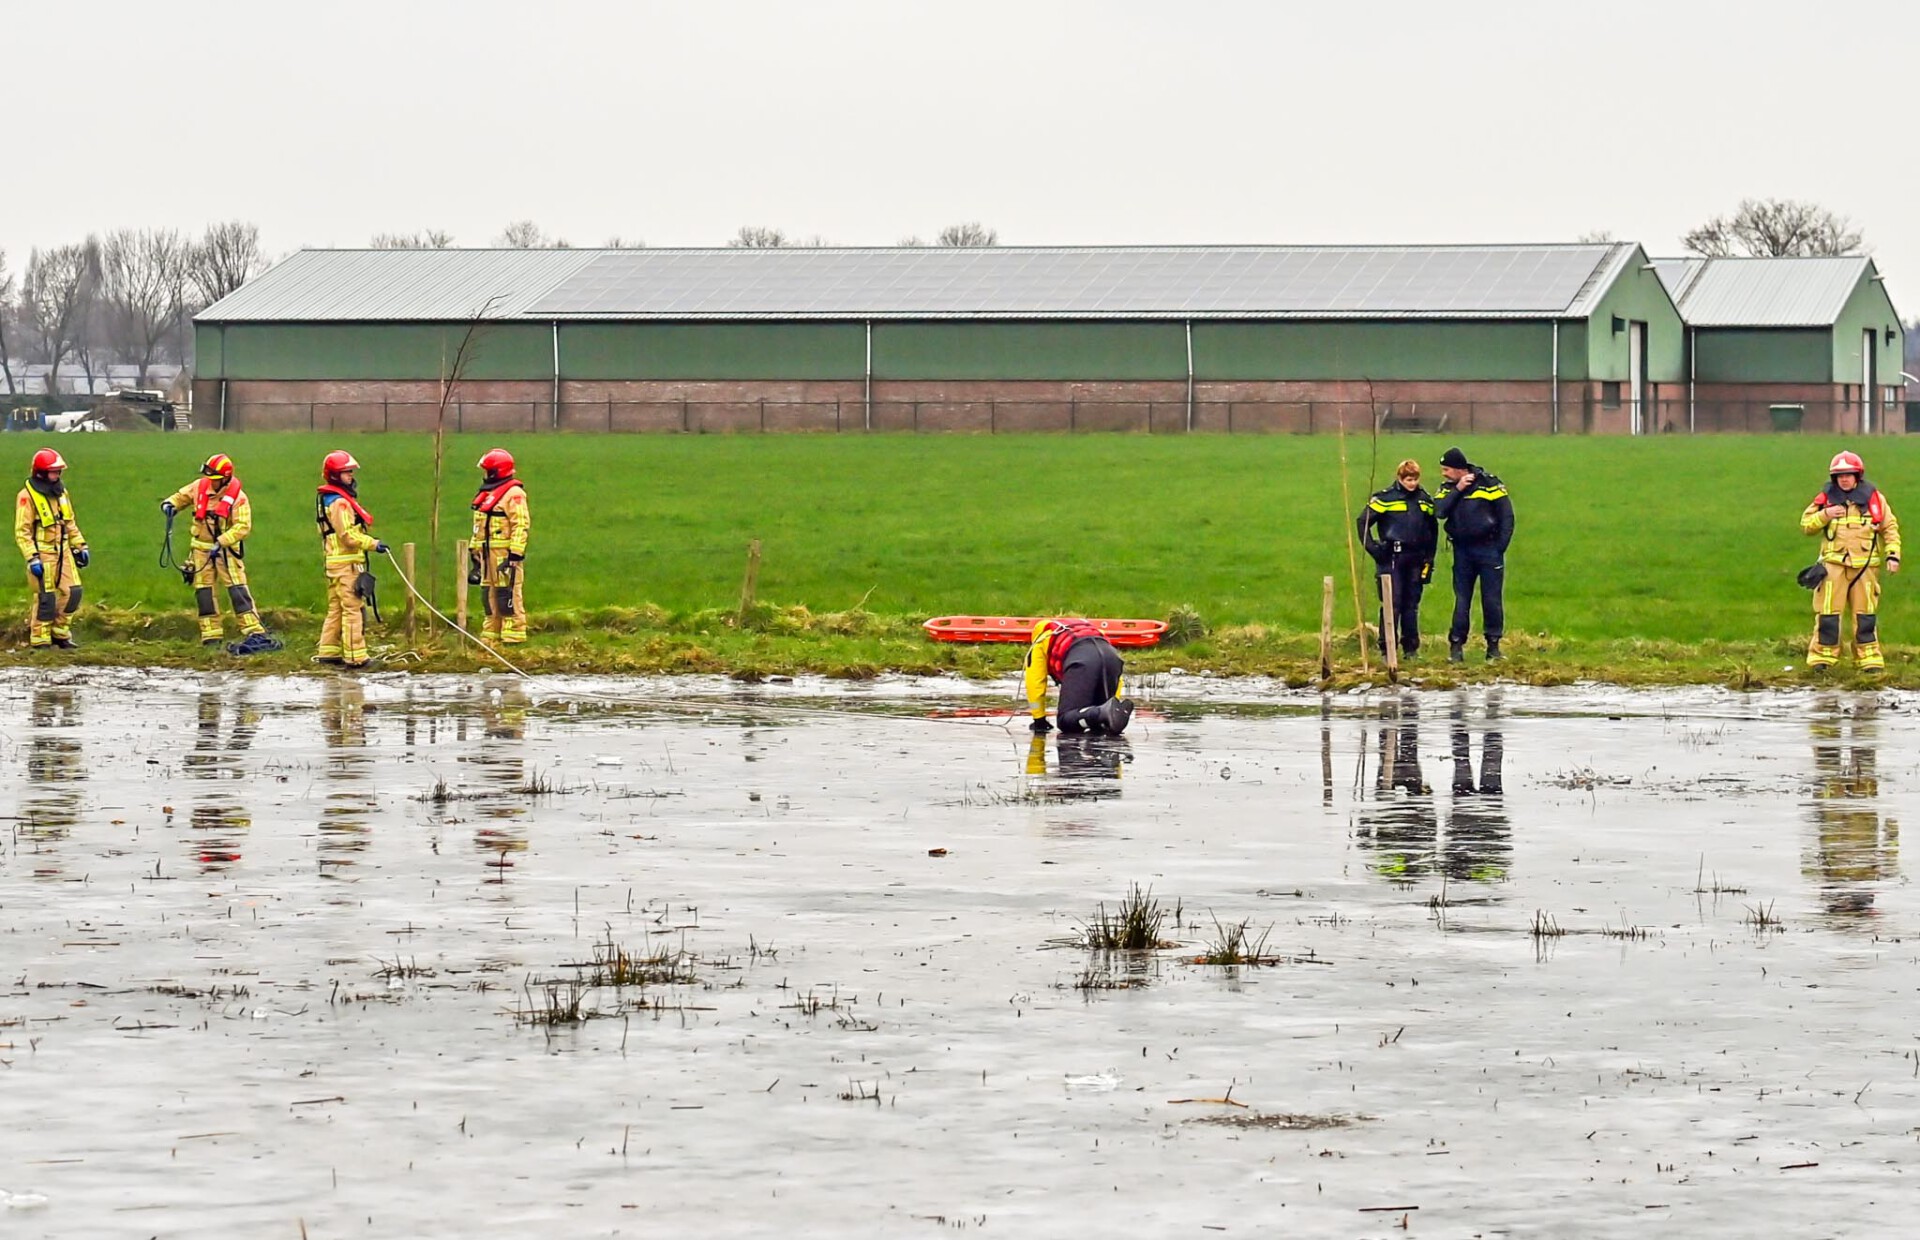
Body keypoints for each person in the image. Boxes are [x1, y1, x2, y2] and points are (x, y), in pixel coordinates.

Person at [162, 453, 273, 650]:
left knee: (237, 590)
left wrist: (221, 541)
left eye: (215, 480)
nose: (211, 484)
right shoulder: (199, 486)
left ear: (226, 478)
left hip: (226, 552)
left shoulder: (239, 499)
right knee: (204, 593)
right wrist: (170, 504)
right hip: (200, 550)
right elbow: (182, 496)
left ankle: (254, 632)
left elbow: (242, 526)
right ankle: (211, 636)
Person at [1801, 450, 1900, 672]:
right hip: (1833, 567)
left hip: (1865, 568)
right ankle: (1822, 659)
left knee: (1865, 615)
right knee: (1828, 614)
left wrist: (1893, 555)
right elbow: (1806, 525)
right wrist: (1825, 515)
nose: (1844, 479)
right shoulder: (1824, 499)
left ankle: (1869, 660)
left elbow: (1890, 528)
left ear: (1858, 476)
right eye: (1839, 475)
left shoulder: (1875, 500)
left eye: (1848, 474)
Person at [1434, 446, 1514, 663]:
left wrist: (1500, 547)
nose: (1443, 473)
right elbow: (1439, 511)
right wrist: (1458, 489)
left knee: (1492, 600)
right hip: (1463, 551)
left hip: (1489, 550)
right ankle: (1457, 646)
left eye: (1446, 469)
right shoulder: (1449, 487)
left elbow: (1507, 517)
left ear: (1459, 468)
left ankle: (1493, 647)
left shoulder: (1490, 484)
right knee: (1462, 600)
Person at [314, 450, 388, 669]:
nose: (351, 477)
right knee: (353, 609)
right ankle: (356, 657)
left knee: (336, 608)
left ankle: (328, 652)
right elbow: (347, 534)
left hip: (334, 562)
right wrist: (373, 544)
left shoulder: (327, 499)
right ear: (336, 475)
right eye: (347, 473)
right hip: (346, 563)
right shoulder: (340, 503)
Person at [1358, 458, 1437, 658]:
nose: (1412, 483)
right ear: (1400, 478)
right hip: (1391, 557)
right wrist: (1374, 548)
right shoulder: (1385, 498)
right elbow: (1363, 522)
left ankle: (1411, 648)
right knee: (1392, 602)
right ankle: (1387, 647)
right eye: (1408, 479)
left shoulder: (1424, 500)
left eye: (1415, 479)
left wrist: (1429, 559)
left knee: (1411, 604)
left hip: (1416, 558)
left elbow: (1432, 531)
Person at [13, 448, 90, 650]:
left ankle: (60, 634)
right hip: (42, 555)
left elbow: (70, 522)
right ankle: (40, 639)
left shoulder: (61, 493)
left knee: (73, 592)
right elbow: (22, 531)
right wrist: (32, 558)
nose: (57, 476)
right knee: (45, 598)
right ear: (41, 473)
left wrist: (80, 545)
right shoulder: (26, 497)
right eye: (53, 472)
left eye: (58, 472)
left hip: (63, 552)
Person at [1024, 618, 1134, 734]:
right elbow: (1118, 678)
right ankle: (1104, 715)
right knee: (1101, 719)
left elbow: (1035, 683)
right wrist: (1113, 702)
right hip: (1112, 657)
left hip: (1082, 660)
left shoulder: (1041, 640)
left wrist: (1039, 719)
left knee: (1065, 720)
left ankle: (1099, 713)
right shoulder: (1092, 630)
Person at [469, 447, 531, 645]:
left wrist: (516, 553)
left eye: (487, 470)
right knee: (488, 595)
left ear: (496, 471)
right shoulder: (489, 493)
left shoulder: (514, 494)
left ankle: (514, 636)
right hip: (486, 555)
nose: (485, 475)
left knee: (508, 595)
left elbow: (521, 524)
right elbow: (479, 525)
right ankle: (491, 636)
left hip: (505, 554)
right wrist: (475, 550)